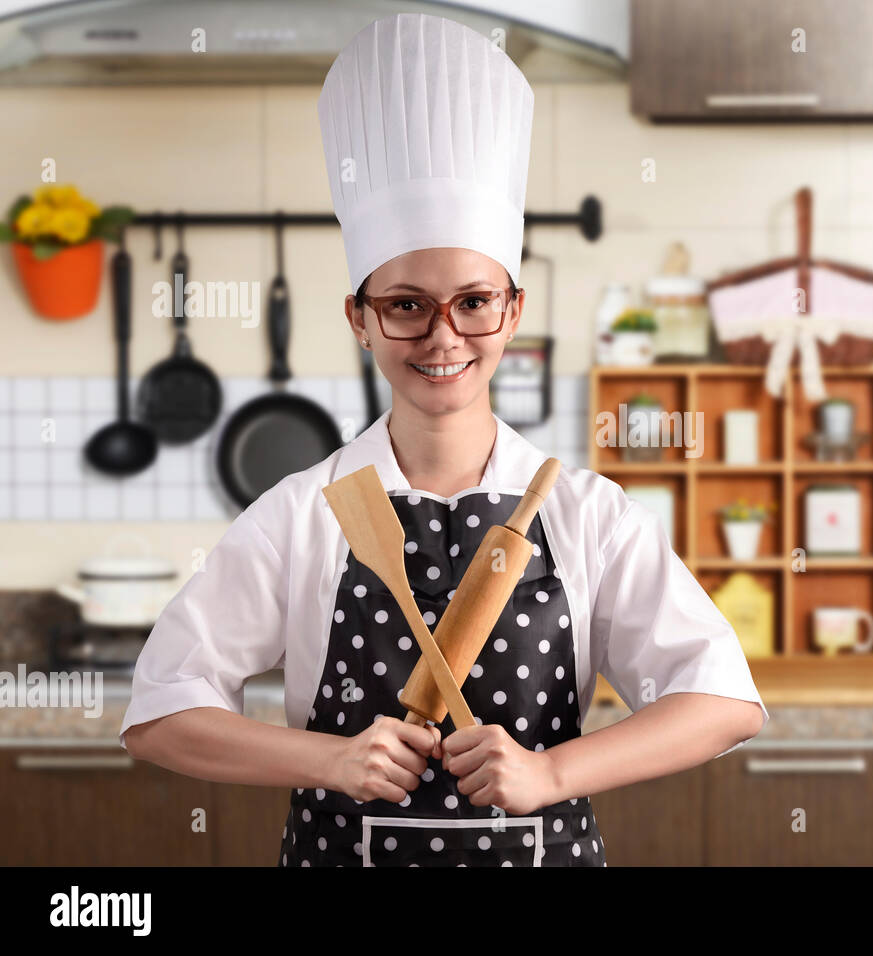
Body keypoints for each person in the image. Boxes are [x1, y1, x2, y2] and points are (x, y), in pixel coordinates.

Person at [120, 13, 767, 868]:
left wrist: (551, 771)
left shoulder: (583, 512)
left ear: (513, 310)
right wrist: (331, 760)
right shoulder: (307, 513)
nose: (443, 336)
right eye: (405, 304)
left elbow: (722, 699)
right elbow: (161, 712)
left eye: (473, 301)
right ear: (360, 316)